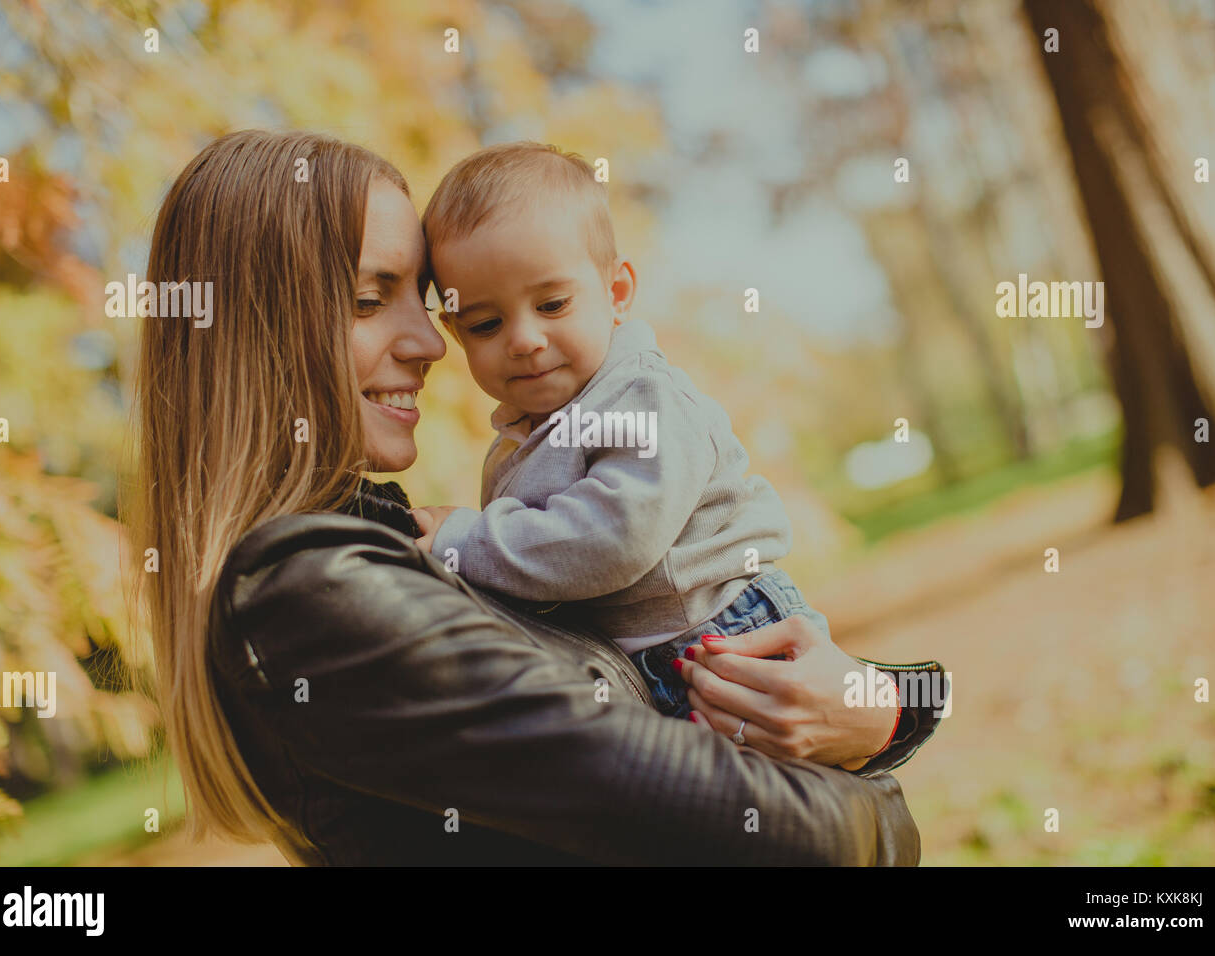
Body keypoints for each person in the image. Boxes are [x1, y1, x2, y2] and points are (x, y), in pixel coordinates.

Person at [126, 128, 925, 865]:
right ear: (254, 332)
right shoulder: (306, 592)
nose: (431, 343)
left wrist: (894, 706)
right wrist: (881, 790)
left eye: (423, 298)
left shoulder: (382, 540)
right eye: (370, 299)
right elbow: (774, 836)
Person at [411, 141, 942, 762]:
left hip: (727, 634)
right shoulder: (530, 435)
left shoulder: (640, 397)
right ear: (453, 331)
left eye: (552, 304)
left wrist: (465, 543)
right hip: (655, 659)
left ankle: (911, 711)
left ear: (617, 291)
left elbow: (613, 538)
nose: (524, 339)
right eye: (484, 325)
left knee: (780, 807)